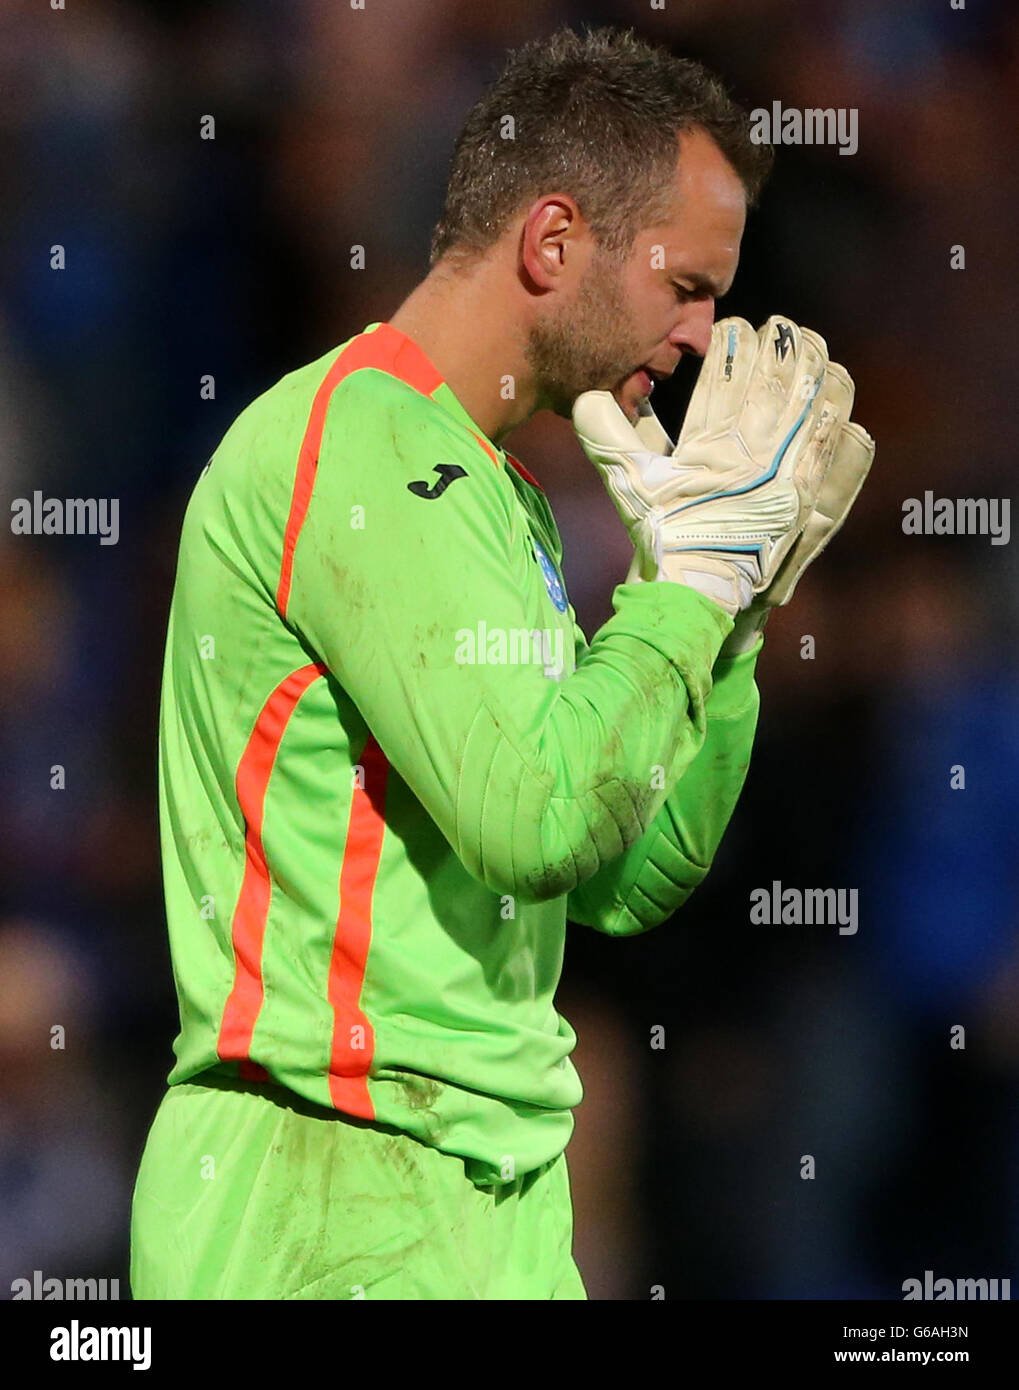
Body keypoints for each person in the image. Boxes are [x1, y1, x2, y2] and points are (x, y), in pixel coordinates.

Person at [130, 25, 871, 1300]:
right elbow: (535, 820)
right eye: (686, 285)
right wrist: (684, 589)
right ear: (551, 242)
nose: (706, 336)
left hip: (491, 1184)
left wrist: (726, 615)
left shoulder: (502, 497)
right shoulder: (355, 444)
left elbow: (621, 872)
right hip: (325, 1184)